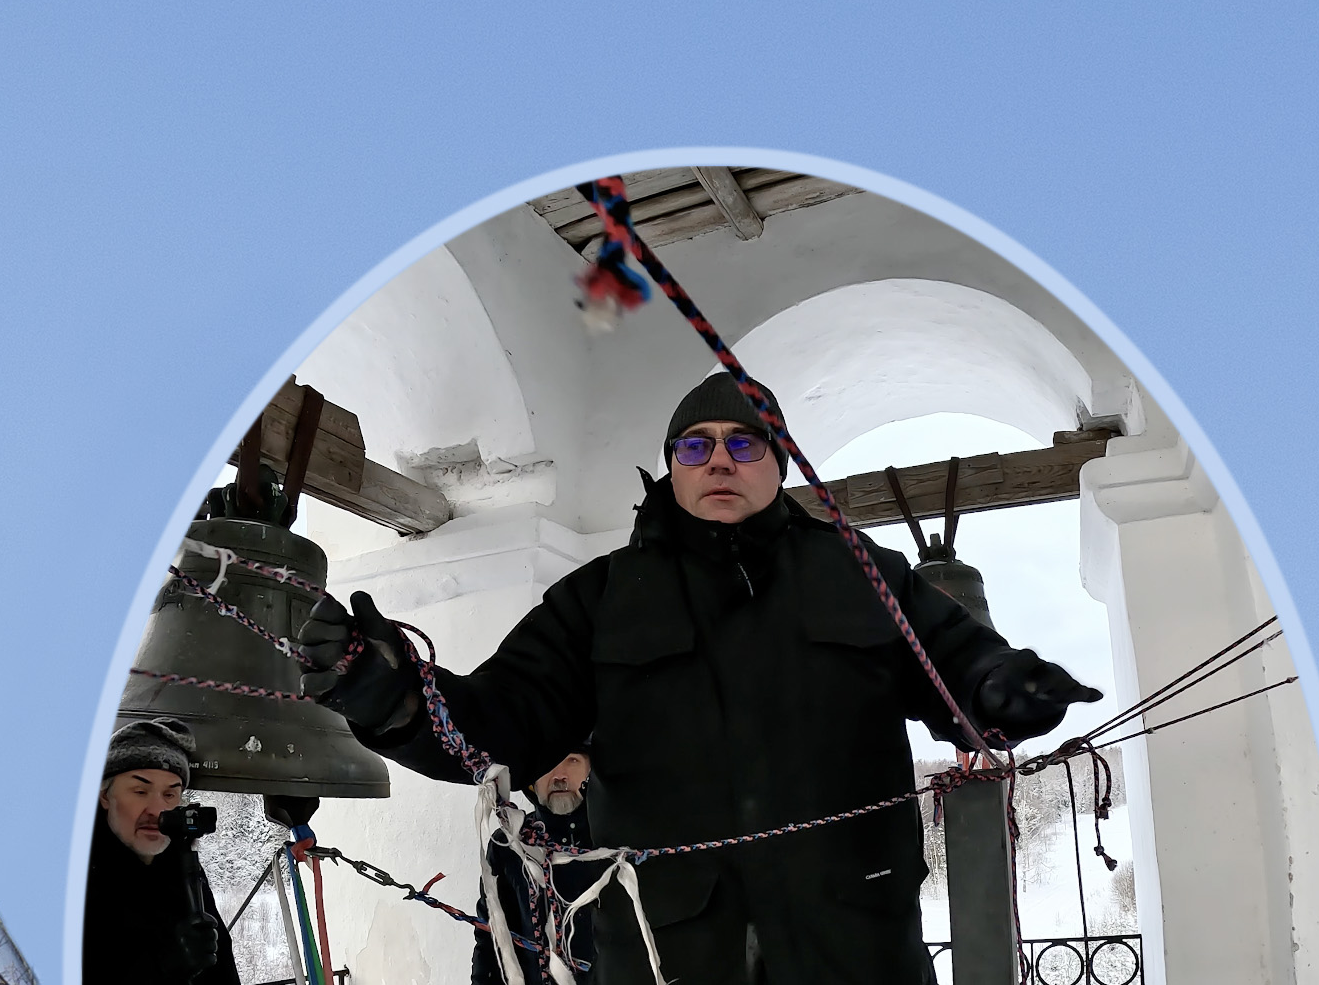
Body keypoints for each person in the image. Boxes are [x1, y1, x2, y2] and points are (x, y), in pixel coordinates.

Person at [297, 373, 1102, 985]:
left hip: (855, 944)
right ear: (673, 466)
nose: (719, 459)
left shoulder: (864, 573)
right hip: (666, 951)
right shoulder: (602, 596)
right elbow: (500, 725)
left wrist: (1007, 692)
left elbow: (958, 666)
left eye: (744, 443)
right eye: (696, 445)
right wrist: (378, 685)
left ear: (779, 462)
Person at [84, 718, 241, 985]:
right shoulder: (75, 884)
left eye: (170, 795)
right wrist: (163, 969)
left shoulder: (184, 870)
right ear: (105, 796)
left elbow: (222, 969)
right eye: (140, 790)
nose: (157, 810)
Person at [472, 750, 598, 985]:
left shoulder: (619, 844)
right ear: (531, 780)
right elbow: (492, 939)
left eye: (572, 761)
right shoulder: (508, 846)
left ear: (591, 770)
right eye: (547, 764)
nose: (559, 775)